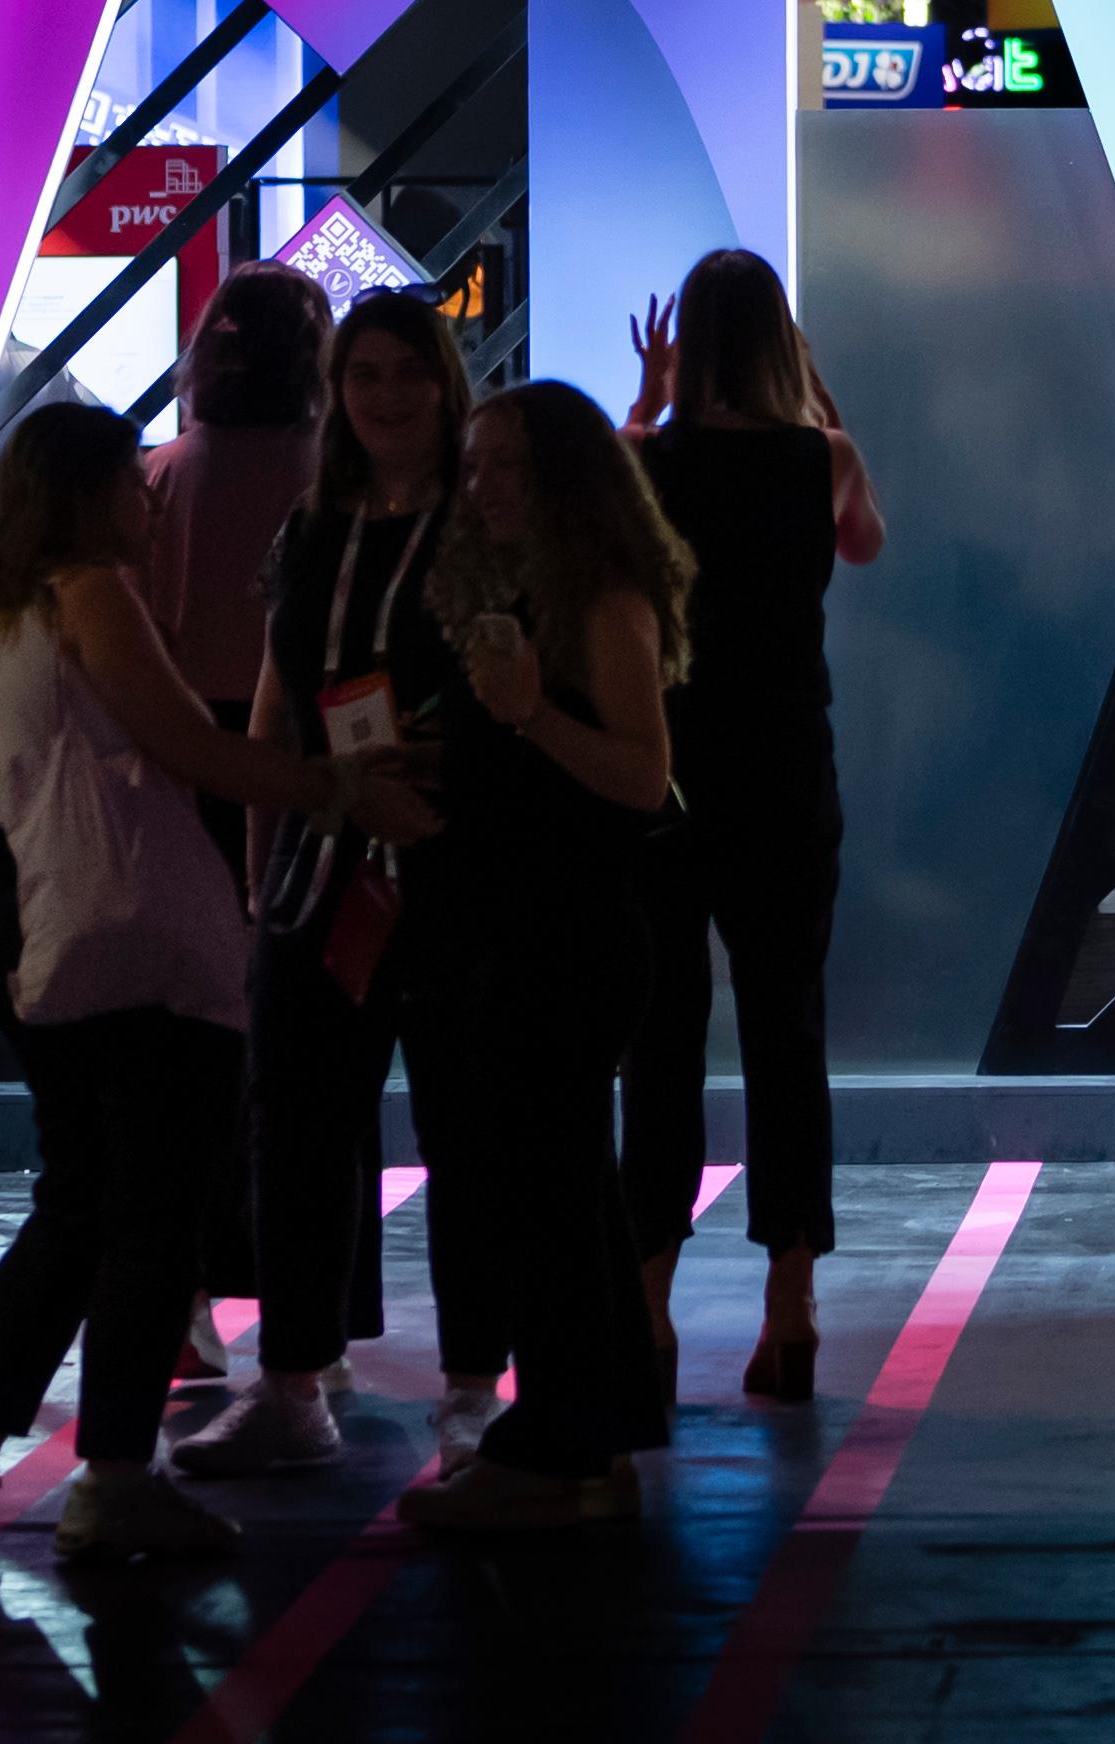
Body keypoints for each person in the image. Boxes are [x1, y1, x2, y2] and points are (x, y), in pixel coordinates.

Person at [0, 401, 409, 1560]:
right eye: (133, 479)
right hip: (140, 923)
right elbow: (192, 747)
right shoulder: (88, 591)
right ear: (85, 493)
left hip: (34, 925)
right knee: (157, 1216)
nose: (149, 497)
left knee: (77, 1198)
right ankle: (113, 1474)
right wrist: (339, 788)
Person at [181, 290, 498, 1479]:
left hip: (453, 870)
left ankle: (474, 1386)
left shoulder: (486, 526)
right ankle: (293, 1378)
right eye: (362, 374)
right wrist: (266, 870)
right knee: (300, 1128)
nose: (384, 396)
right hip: (322, 867)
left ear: (443, 381)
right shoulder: (315, 524)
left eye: (404, 372)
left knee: (468, 1128)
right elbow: (275, 699)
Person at [390, 382, 696, 1536]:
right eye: (475, 465)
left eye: (508, 465)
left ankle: (559, 1437)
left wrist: (522, 716)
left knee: (547, 1195)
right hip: (511, 925)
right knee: (564, 1195)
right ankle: (594, 1428)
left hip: (566, 934)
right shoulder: (517, 596)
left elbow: (639, 776)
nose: (484, 486)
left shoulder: (599, 601)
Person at [615, 249, 887, 1401]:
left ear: (688, 346)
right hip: (786, 768)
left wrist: (644, 401)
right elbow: (865, 542)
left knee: (661, 1038)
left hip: (667, 773)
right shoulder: (820, 457)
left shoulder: (641, 462)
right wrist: (819, 404)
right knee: (788, 1031)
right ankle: (791, 1302)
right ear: (783, 342)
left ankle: (649, 1302)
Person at [130, 264, 335, 1323]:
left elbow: (143, 639)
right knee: (311, 1052)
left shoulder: (166, 473)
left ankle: (193, 1298)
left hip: (189, 764)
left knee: (189, 1046)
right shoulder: (338, 474)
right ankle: (313, 1322)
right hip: (319, 765)